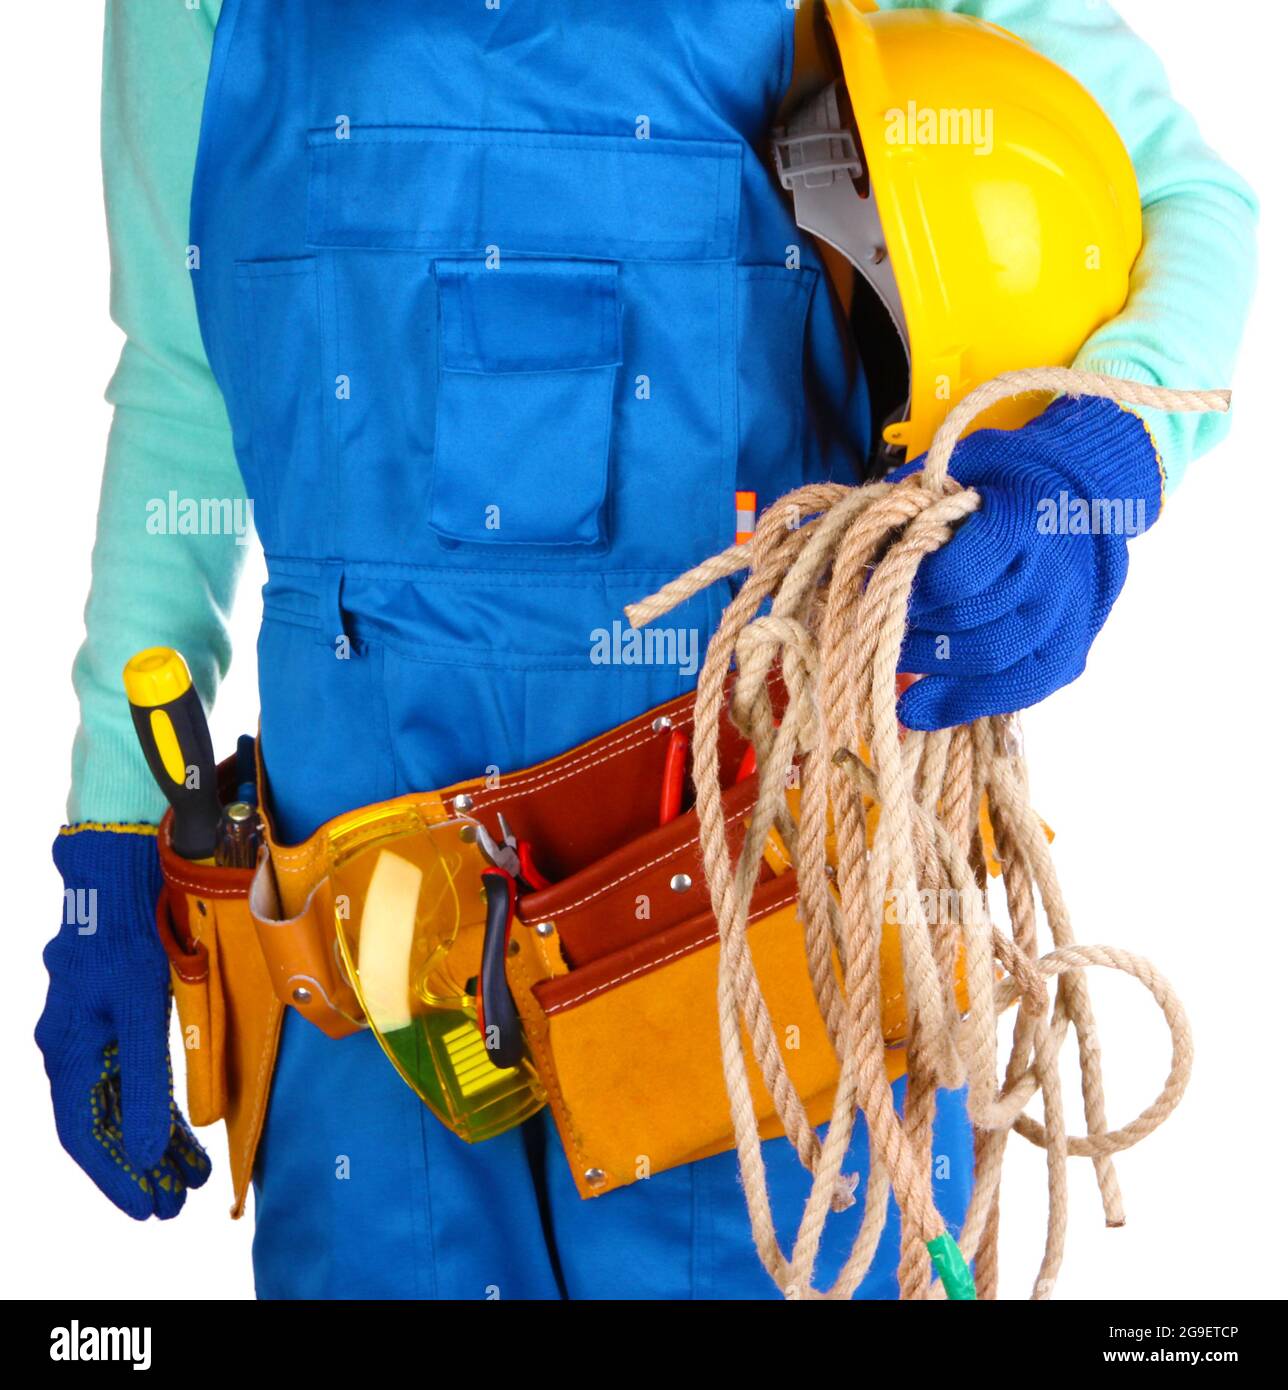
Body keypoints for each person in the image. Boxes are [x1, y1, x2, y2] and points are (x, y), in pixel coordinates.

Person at [37, 0, 1256, 1300]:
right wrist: (106, 854)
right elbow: (182, 377)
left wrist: (1093, 464)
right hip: (371, 996)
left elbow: (1182, 200)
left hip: (770, 962)